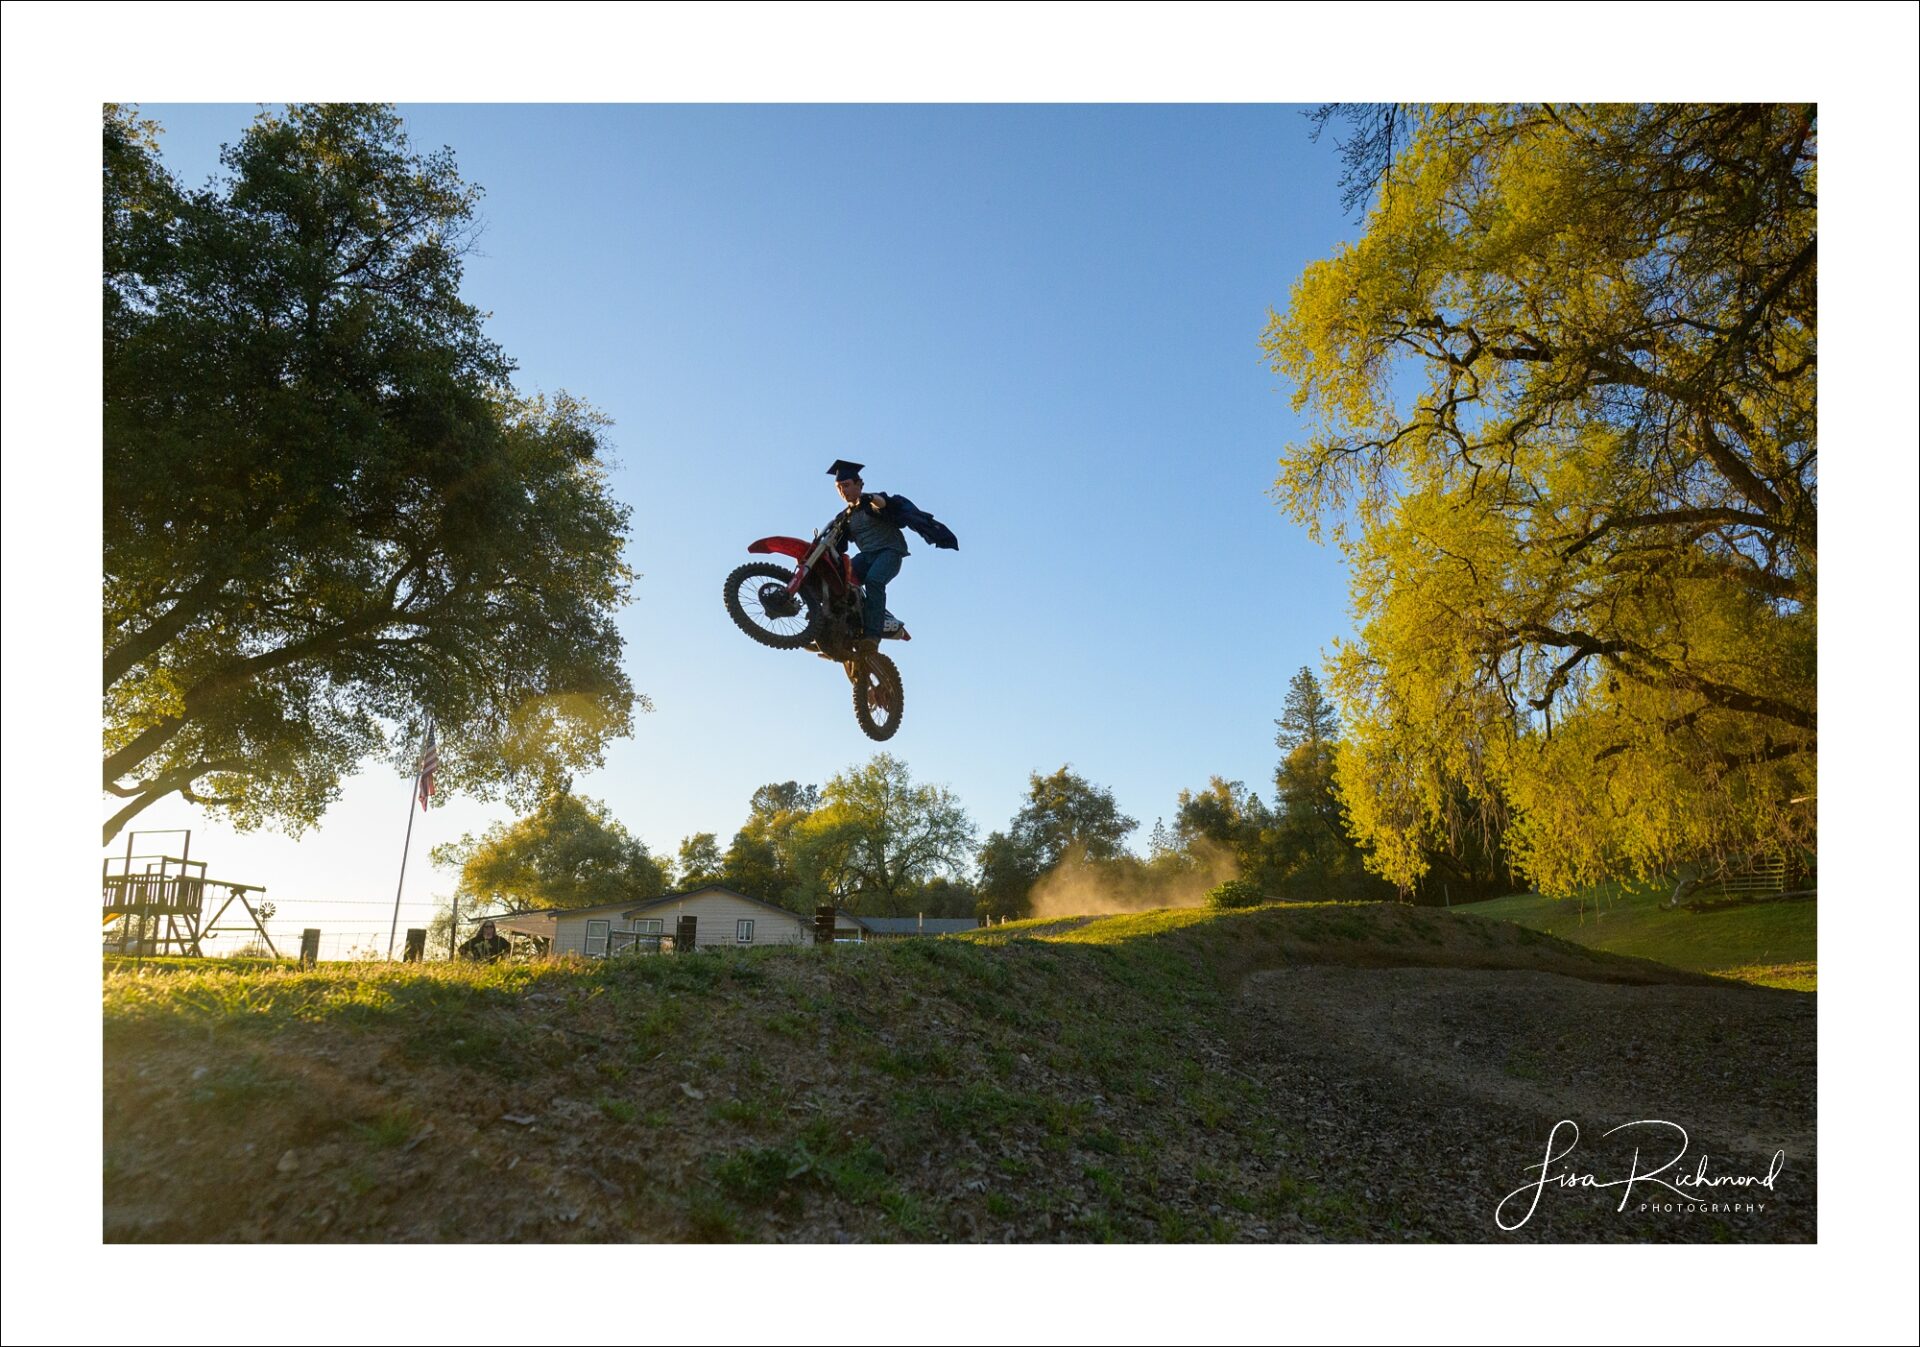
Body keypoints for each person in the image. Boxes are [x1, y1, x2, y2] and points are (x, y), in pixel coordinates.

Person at [828, 459, 911, 648]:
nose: (843, 491)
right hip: (866, 557)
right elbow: (838, 545)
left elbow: (883, 504)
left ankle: (872, 636)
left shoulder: (871, 502)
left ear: (859, 484)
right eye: (839, 487)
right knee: (841, 578)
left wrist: (870, 498)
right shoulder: (845, 516)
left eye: (847, 485)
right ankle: (836, 624)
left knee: (874, 581)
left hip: (889, 552)